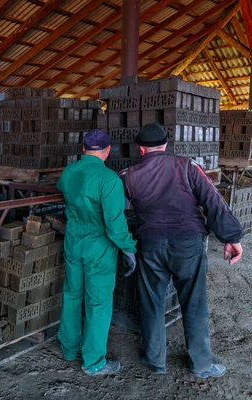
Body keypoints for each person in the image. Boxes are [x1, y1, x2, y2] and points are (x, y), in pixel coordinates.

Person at [120, 123, 244, 379]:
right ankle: (201, 364)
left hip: (151, 243)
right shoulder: (186, 166)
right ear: (166, 145)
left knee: (151, 302)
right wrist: (231, 237)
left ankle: (154, 359)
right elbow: (213, 201)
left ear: (141, 149)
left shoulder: (127, 176)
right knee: (194, 302)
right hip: (188, 243)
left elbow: (115, 209)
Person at [57, 129, 137, 376]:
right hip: (98, 248)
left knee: (71, 295)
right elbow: (114, 224)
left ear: (83, 149)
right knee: (98, 303)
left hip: (73, 241)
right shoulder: (109, 179)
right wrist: (129, 248)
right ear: (108, 150)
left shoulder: (68, 173)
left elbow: (65, 194)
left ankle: (68, 349)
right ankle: (93, 362)